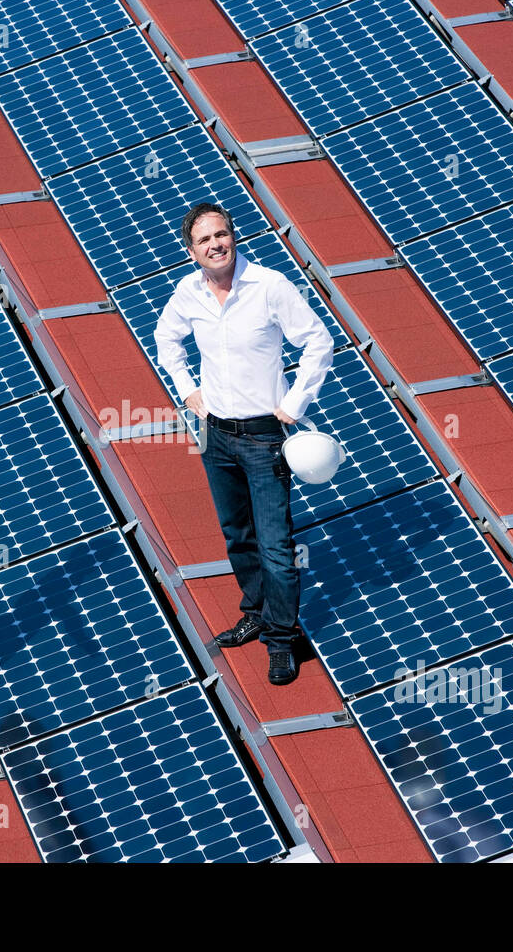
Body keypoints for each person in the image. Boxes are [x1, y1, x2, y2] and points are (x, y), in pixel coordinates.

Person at [155, 204, 334, 685]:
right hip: (216, 434)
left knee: (276, 546)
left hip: (263, 437)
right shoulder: (188, 292)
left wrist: (295, 402)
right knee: (237, 534)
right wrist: (186, 389)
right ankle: (255, 611)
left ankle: (282, 640)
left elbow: (318, 342)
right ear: (190, 251)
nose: (216, 245)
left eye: (222, 234)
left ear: (233, 236)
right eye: (204, 240)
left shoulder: (270, 286)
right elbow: (166, 339)